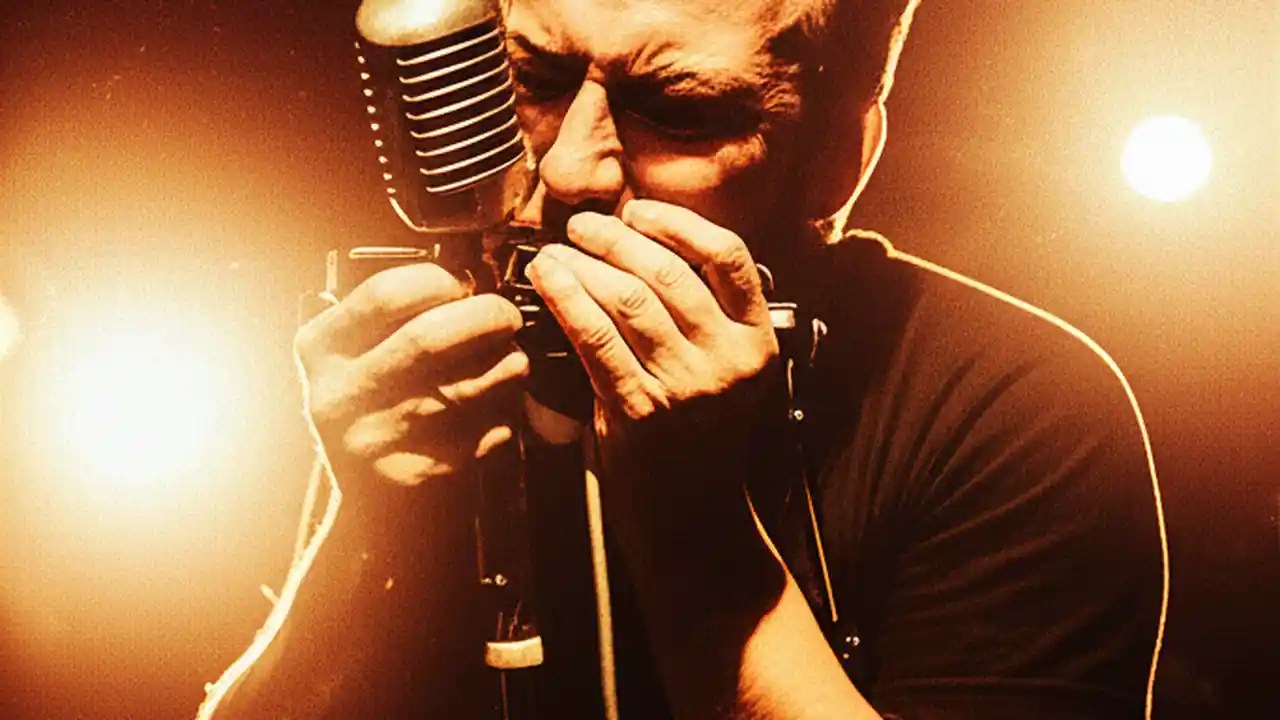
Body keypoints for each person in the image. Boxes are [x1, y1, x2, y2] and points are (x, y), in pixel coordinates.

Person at [199, 0, 1168, 717]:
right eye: (531, 80)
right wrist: (371, 530)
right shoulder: (453, 366)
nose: (571, 168)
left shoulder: (1016, 412)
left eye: (677, 109)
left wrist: (694, 531)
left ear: (839, 156)